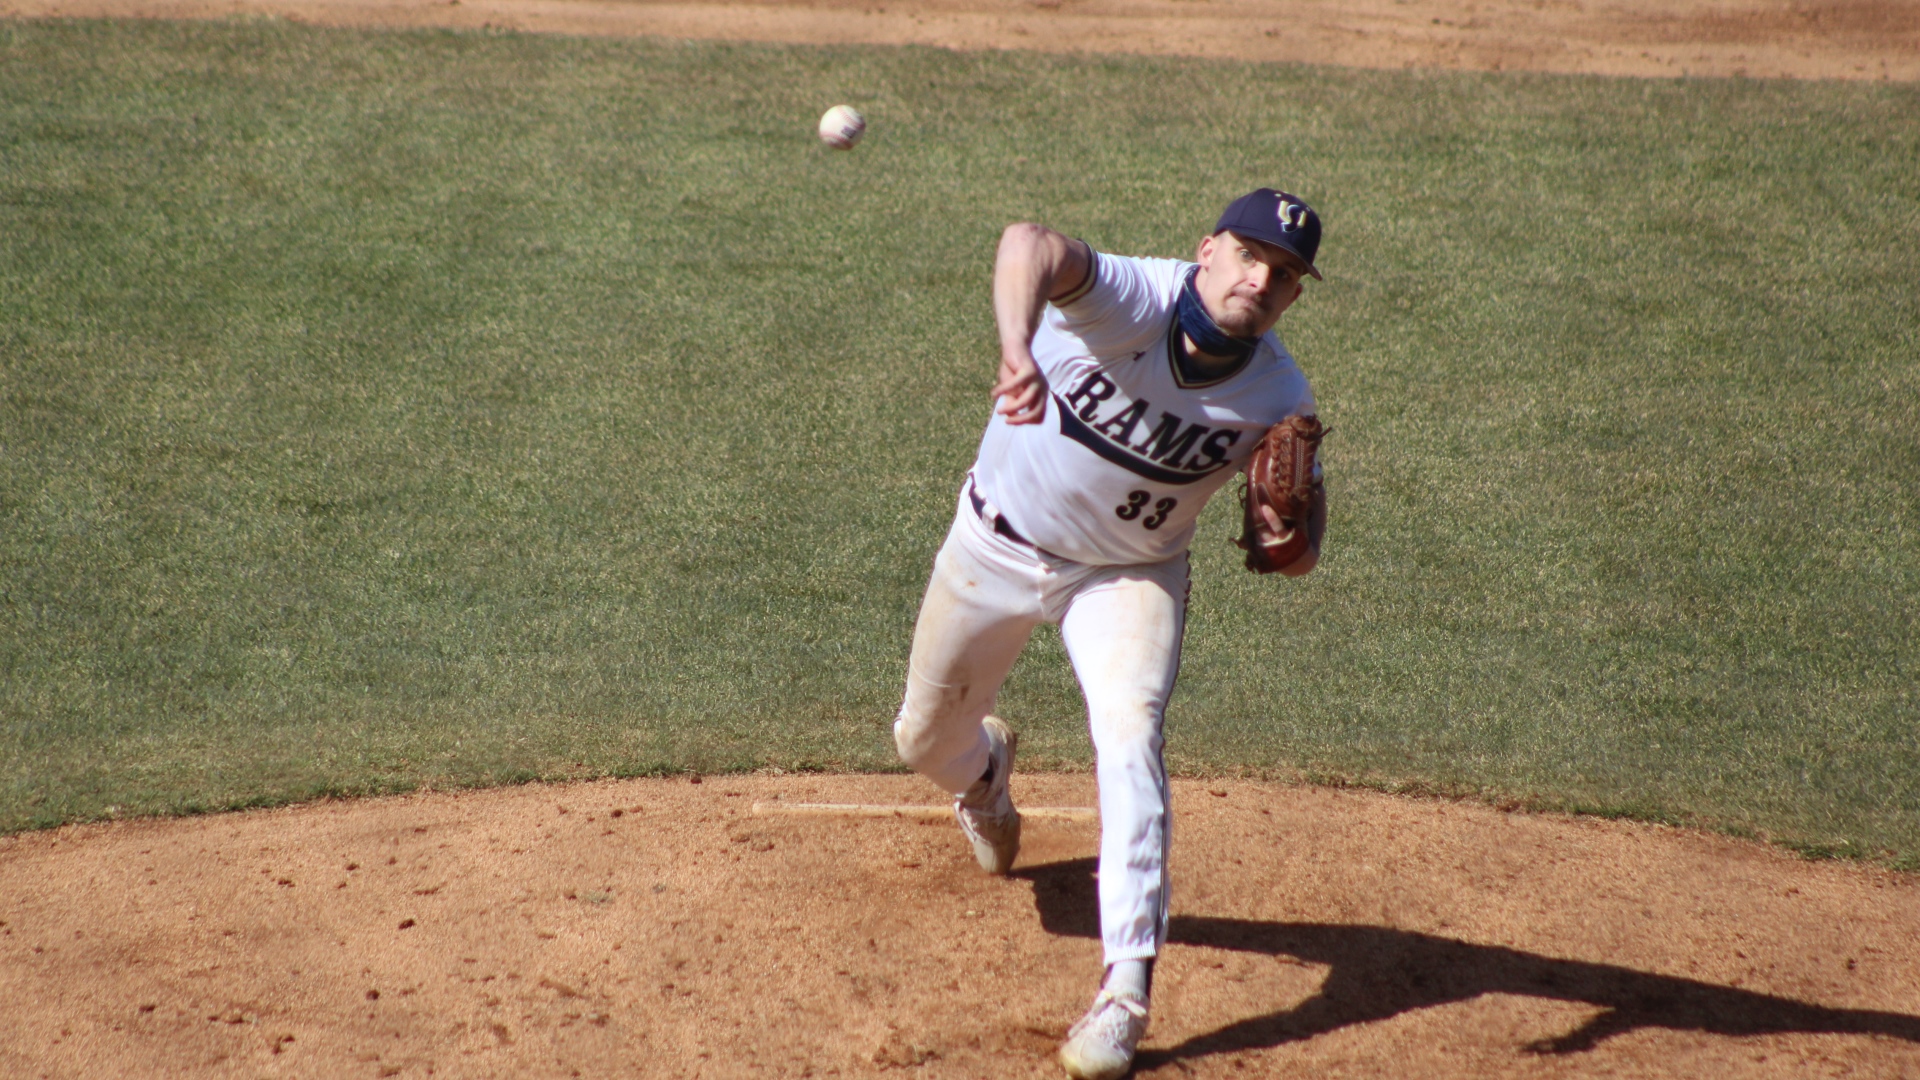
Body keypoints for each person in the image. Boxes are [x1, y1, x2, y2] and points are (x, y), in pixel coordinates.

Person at [891, 188, 1327, 1079]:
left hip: (1128, 576)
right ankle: (984, 776)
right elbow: (1027, 241)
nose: (1261, 278)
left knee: (1129, 733)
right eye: (1248, 255)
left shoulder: (1279, 393)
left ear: (1292, 296)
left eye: (1283, 274)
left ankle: (1124, 991)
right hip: (995, 545)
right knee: (922, 740)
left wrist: (1295, 541)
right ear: (1206, 250)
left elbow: (1302, 542)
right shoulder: (1136, 298)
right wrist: (1017, 348)